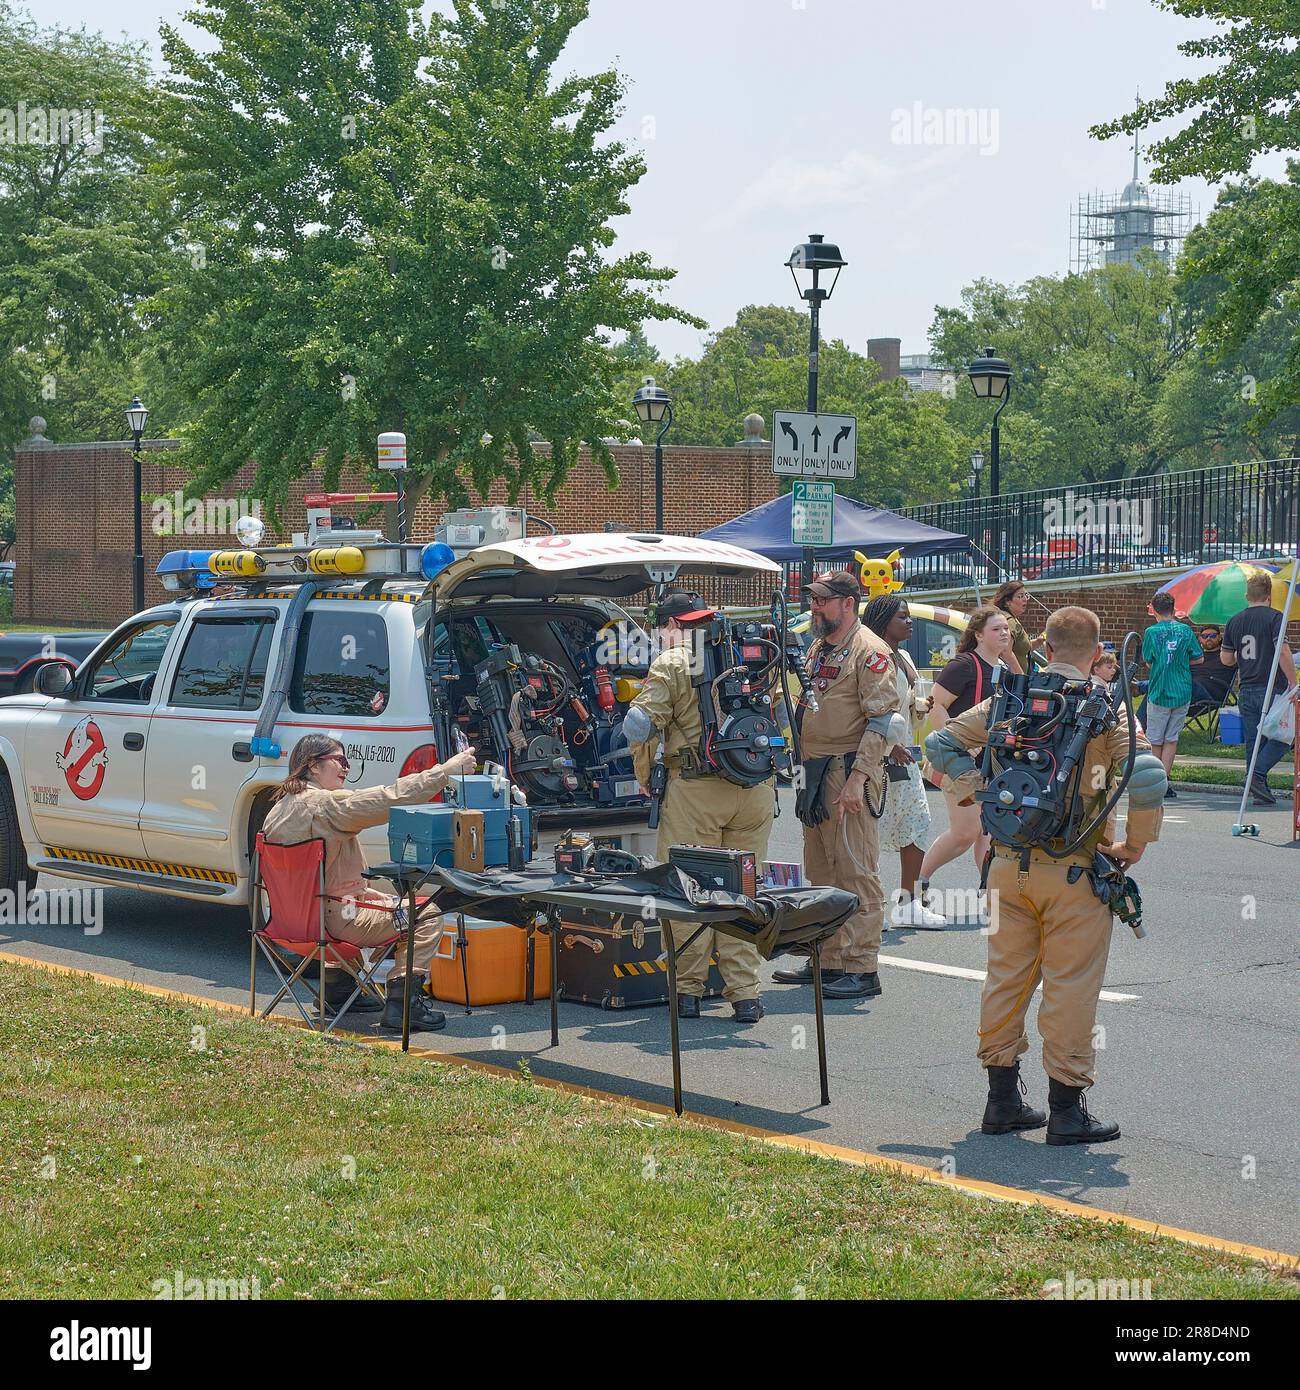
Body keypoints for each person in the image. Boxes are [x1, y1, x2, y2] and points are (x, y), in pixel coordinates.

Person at [925, 606, 1168, 1144]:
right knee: (1070, 989)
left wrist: (980, 796)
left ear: (1048, 648)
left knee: (1006, 979)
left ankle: (1002, 1102)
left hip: (1007, 867)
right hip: (1076, 871)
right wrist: (1135, 845)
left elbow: (939, 744)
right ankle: (1066, 1111)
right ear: (1099, 654)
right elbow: (1148, 774)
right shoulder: (1110, 710)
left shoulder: (1012, 699)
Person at [261, 733, 477, 1032]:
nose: (347, 767)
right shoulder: (327, 806)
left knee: (375, 903)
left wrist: (368, 895)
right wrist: (445, 772)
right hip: (336, 923)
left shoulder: (277, 810)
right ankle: (403, 1007)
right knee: (427, 915)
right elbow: (390, 797)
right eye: (339, 760)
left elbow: (323, 883)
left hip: (292, 923)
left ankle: (338, 992)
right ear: (312, 766)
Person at [624, 590, 772, 1023]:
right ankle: (745, 995)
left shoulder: (672, 662)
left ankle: (687, 991)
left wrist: (643, 773)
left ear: (672, 627)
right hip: (755, 791)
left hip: (695, 792)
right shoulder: (754, 654)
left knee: (689, 891)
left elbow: (640, 725)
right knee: (742, 893)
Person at [775, 570, 902, 1000]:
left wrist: (858, 778)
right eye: (812, 600)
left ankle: (861, 968)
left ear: (848, 603)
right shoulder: (818, 647)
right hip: (815, 772)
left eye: (823, 601)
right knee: (821, 869)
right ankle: (827, 961)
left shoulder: (870, 651)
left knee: (855, 871)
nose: (815, 607)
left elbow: (883, 721)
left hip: (848, 773)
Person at [917, 606, 1016, 907]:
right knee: (966, 831)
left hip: (991, 764)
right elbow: (936, 706)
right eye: (996, 629)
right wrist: (960, 742)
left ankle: (990, 895)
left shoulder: (1005, 670)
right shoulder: (963, 665)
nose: (1004, 633)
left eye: (1006, 629)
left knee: (988, 833)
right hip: (958, 760)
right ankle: (915, 883)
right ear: (978, 635)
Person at [863, 594, 946, 929]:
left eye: (910, 616)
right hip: (878, 756)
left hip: (903, 753)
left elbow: (902, 702)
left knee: (916, 823)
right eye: (903, 617)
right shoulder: (870, 654)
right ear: (883, 621)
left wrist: (920, 705)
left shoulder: (905, 656)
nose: (910, 622)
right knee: (869, 830)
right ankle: (868, 906)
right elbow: (867, 708)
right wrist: (888, 745)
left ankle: (908, 903)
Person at [1222, 572, 1298, 807]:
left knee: (1254, 741)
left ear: (1247, 595)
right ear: (1269, 595)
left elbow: (1226, 659)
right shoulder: (1275, 618)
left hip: (1246, 686)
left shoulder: (1234, 621)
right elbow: (1283, 652)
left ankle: (1255, 786)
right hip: (1271, 687)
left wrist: (1243, 656)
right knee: (1285, 736)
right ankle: (1257, 775)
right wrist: (1293, 682)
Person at [1140, 591, 1202, 800]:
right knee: (1171, 739)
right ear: (1173, 609)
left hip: (1159, 690)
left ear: (1155, 610)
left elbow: (1149, 661)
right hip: (1182, 689)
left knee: (1155, 739)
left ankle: (1154, 781)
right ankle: (1165, 780)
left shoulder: (1151, 632)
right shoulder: (1185, 630)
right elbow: (1199, 658)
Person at [992, 581, 1040, 675]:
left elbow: (1020, 648)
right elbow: (1005, 651)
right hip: (1012, 683)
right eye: (1020, 596)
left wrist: (1038, 641)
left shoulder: (1010, 618)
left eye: (1026, 595)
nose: (1025, 599)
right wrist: (1020, 676)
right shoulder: (1009, 621)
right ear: (1007, 602)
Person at [1189, 626, 1236, 709]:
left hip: (1209, 695)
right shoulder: (1196, 658)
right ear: (1199, 639)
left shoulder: (1226, 656)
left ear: (1219, 637)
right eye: (1204, 636)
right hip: (1187, 692)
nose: (1209, 638)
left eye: (1213, 635)